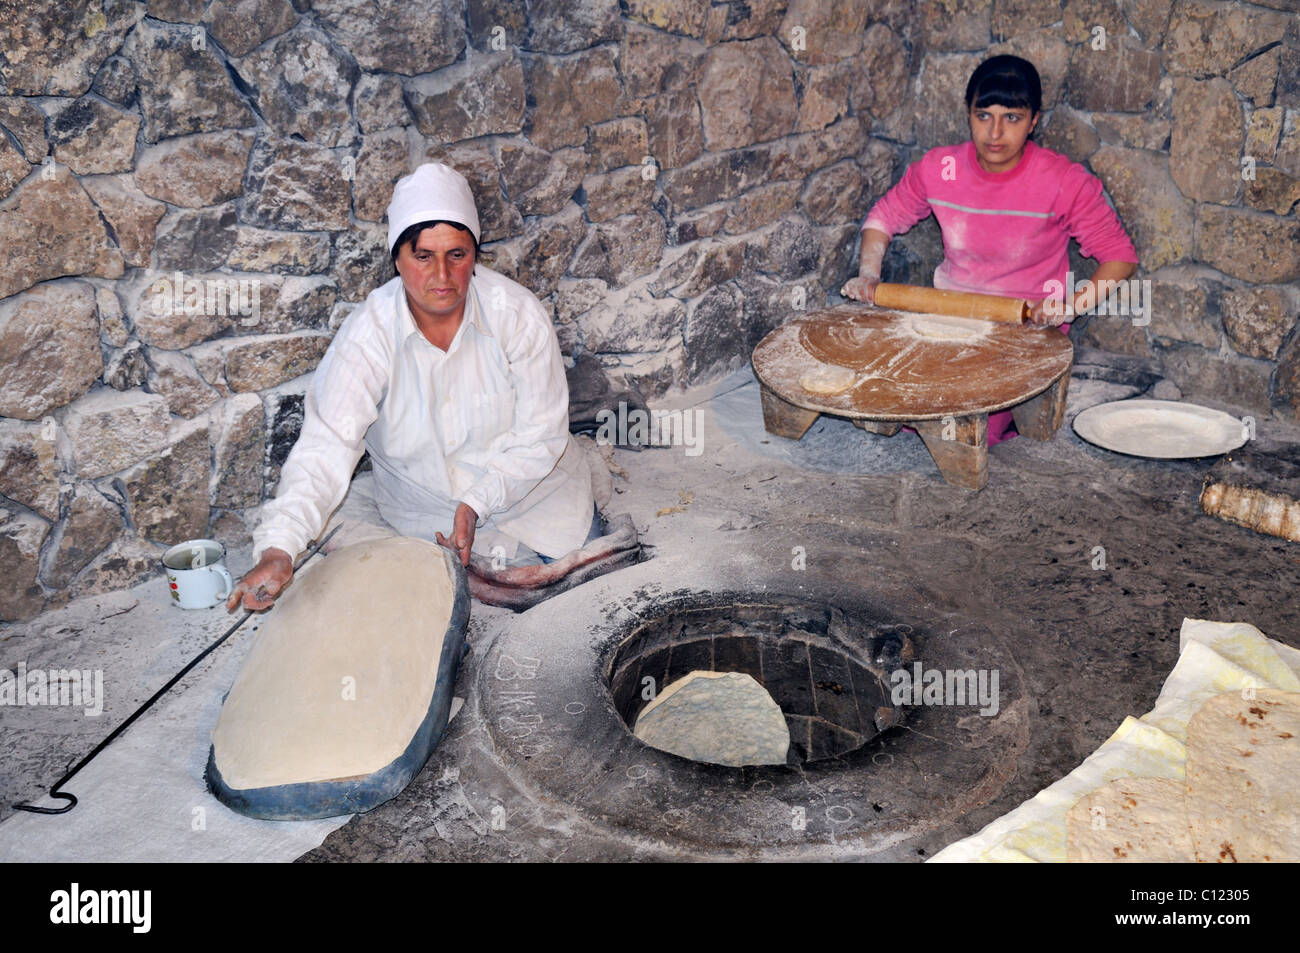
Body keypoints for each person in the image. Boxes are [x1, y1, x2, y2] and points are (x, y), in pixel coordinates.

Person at [228, 163, 597, 611]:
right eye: (423, 256)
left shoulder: (517, 315)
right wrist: (279, 548)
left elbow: (543, 435)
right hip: (425, 512)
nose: (441, 276)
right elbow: (327, 443)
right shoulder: (368, 335)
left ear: (474, 255)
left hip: (534, 500)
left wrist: (477, 502)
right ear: (398, 260)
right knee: (420, 623)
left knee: (581, 600)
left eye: (456, 255)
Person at [842, 54, 1138, 444]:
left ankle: (999, 418)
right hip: (947, 317)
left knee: (966, 420)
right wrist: (869, 275)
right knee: (884, 388)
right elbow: (884, 216)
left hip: (1026, 328)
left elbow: (1120, 257)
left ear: (1033, 121)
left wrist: (1070, 306)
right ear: (969, 115)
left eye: (1011, 118)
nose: (995, 133)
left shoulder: (1062, 180)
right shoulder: (940, 168)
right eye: (984, 116)